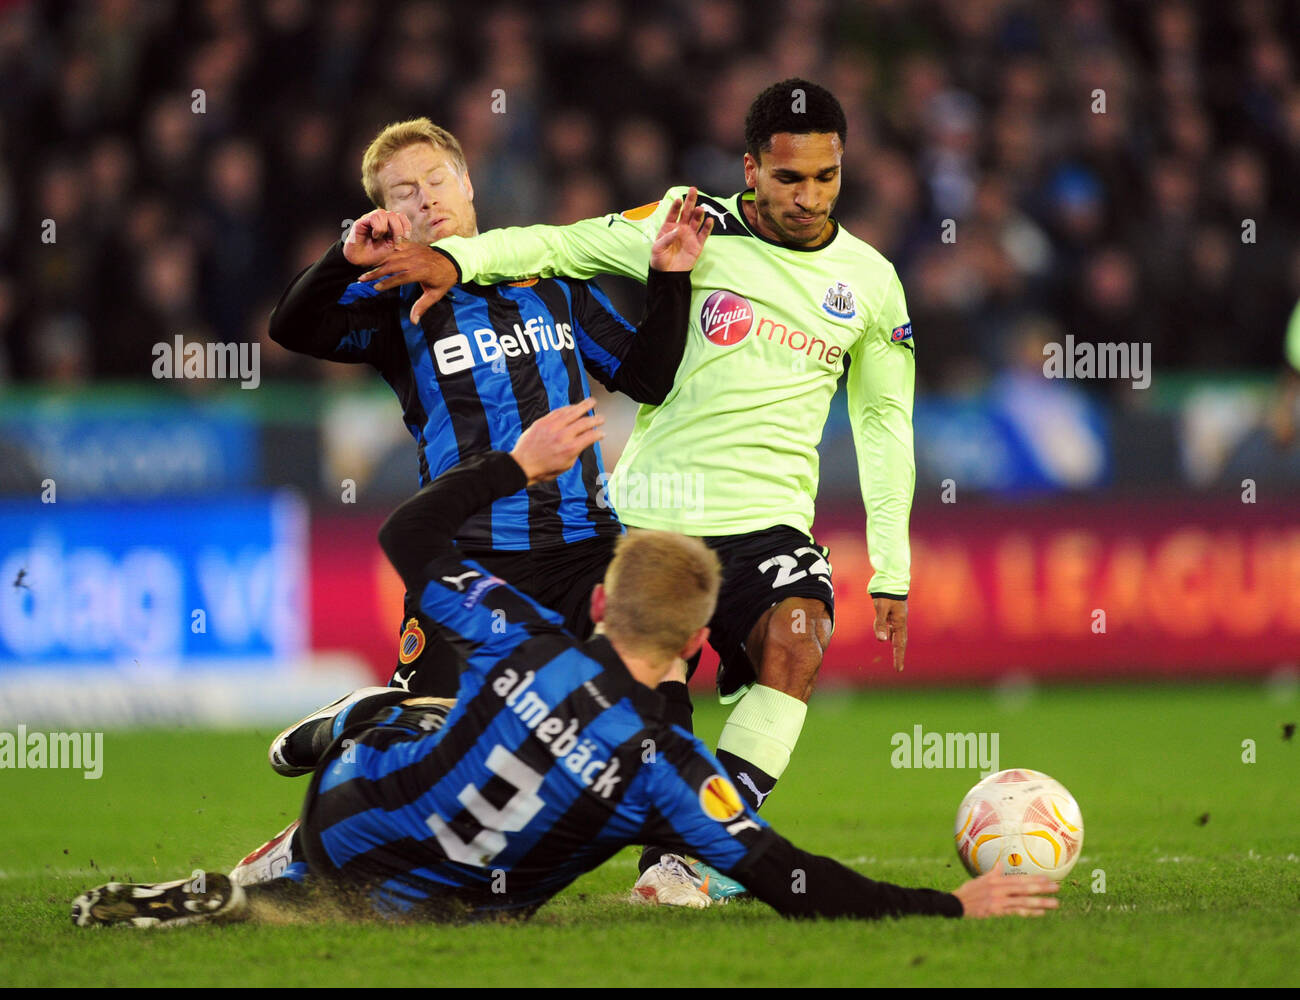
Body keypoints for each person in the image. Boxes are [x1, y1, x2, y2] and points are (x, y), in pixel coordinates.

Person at [72, 403, 1058, 927]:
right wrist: (947, 905)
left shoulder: (514, 632)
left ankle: (344, 758)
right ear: (692, 641)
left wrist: (516, 465)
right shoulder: (674, 779)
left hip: (347, 816)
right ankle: (269, 888)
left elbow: (406, 533)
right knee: (427, 876)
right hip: (441, 908)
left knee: (431, 718)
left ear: (600, 601)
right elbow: (793, 880)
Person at [354, 79, 916, 901]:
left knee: (799, 639)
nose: (809, 196)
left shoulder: (871, 283)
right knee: (604, 715)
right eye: (790, 178)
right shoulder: (686, 221)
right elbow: (556, 245)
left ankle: (687, 857)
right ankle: (371, 794)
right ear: (752, 168)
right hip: (653, 517)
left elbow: (885, 425)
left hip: (769, 524)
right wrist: (457, 258)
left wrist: (892, 567)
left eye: (826, 177)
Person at [244, 119, 709, 886]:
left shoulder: (553, 281)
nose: (423, 200)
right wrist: (344, 255)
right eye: (402, 193)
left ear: (466, 185)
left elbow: (647, 376)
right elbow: (294, 327)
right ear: (385, 211)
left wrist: (669, 278)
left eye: (434, 181)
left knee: (654, 665)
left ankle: (672, 862)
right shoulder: (395, 299)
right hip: (468, 552)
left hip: (583, 541)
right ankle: (344, 758)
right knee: (429, 753)